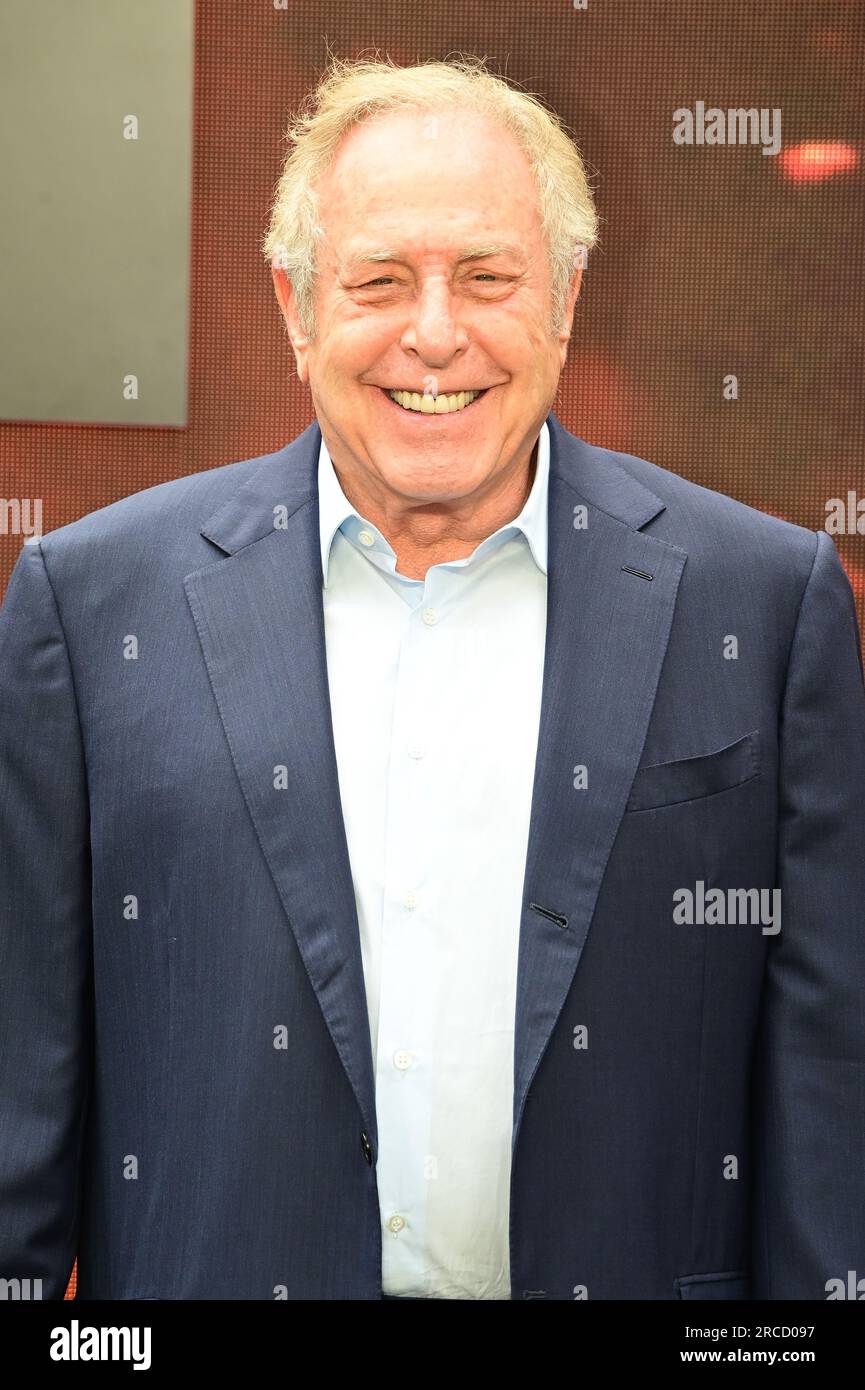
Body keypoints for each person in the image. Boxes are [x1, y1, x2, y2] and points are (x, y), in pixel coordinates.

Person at [1, 55, 863, 1302]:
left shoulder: (762, 604)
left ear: (566, 296)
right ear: (296, 305)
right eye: (379, 281)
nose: (437, 333)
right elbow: (20, 1099)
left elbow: (828, 1087)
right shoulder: (89, 610)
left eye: (488, 277)